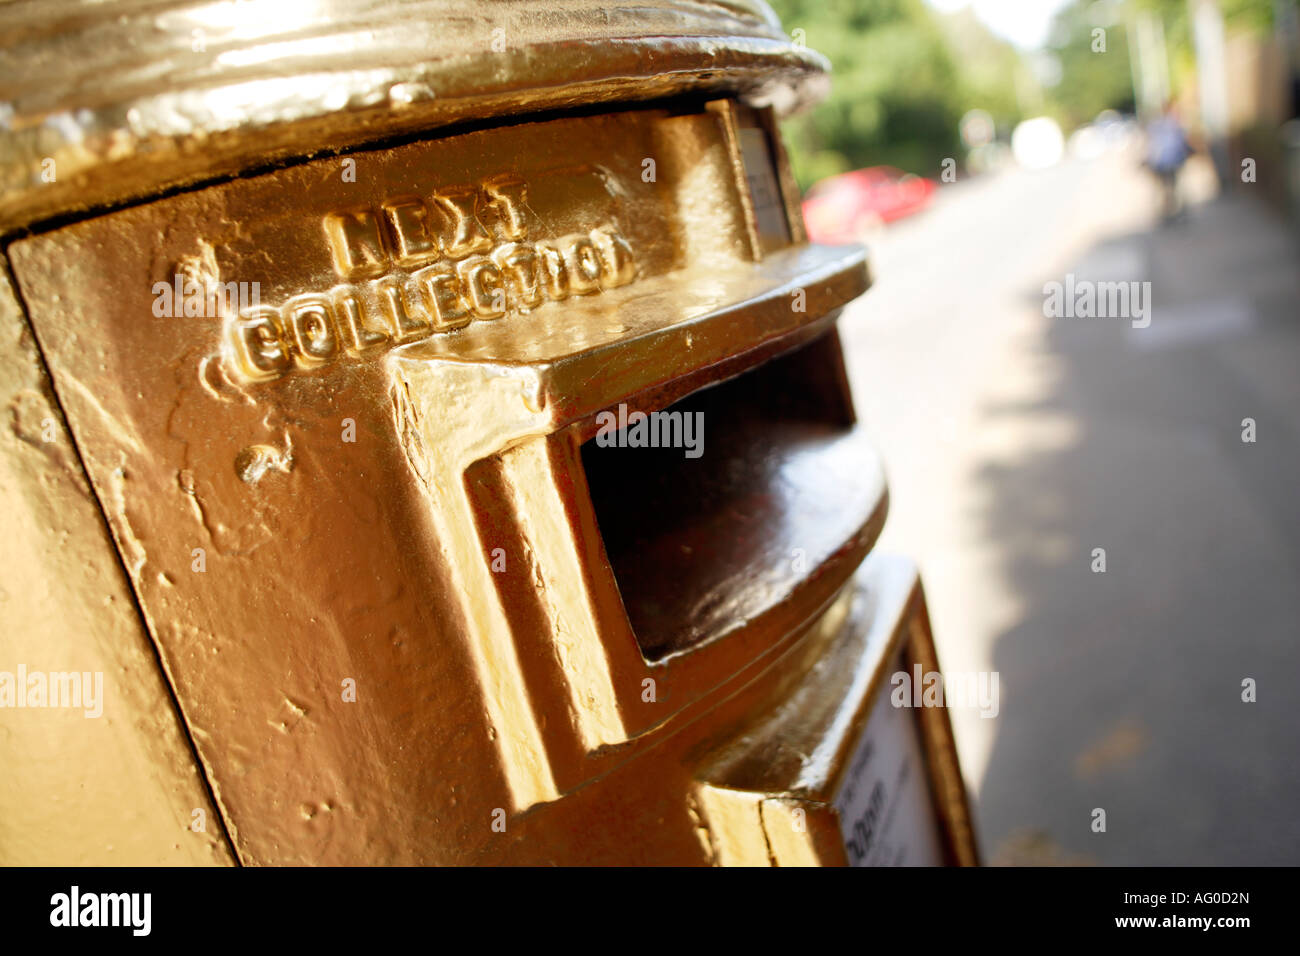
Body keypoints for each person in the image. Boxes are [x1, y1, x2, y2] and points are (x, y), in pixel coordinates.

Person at [1145, 102, 1192, 222]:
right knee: (1171, 188)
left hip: (1164, 162)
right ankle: (1172, 213)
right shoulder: (1173, 126)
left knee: (1168, 189)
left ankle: (1170, 213)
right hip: (1169, 161)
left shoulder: (1158, 125)